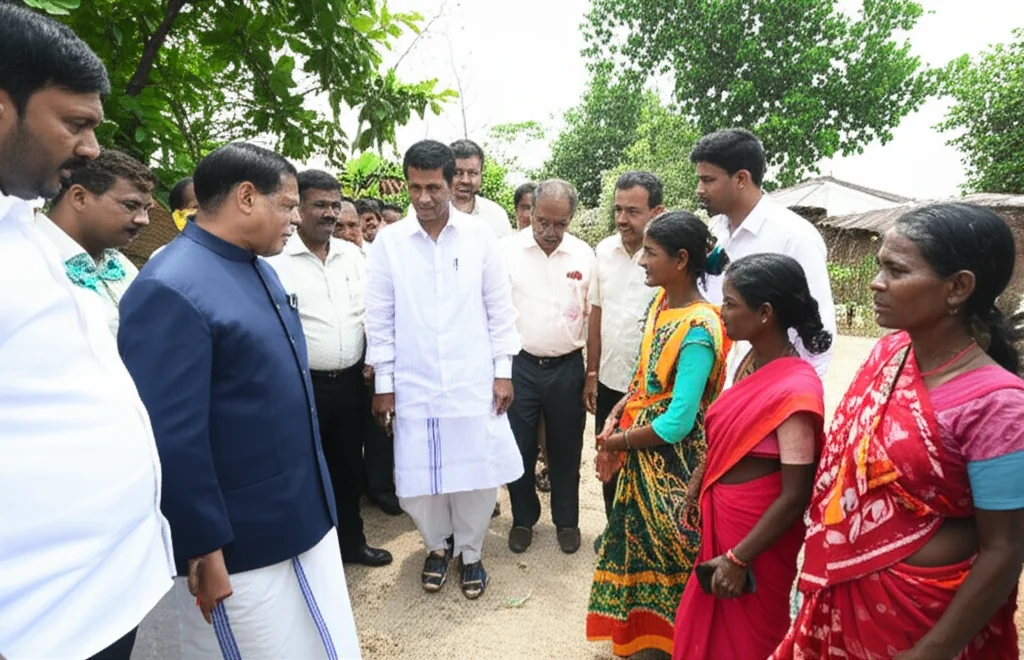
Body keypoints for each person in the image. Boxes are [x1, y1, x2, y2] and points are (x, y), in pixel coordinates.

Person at [118, 143, 360, 659]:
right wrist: (202, 545)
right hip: (240, 544)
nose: (298, 218)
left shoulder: (259, 266)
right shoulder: (170, 287)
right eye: (288, 205)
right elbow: (172, 437)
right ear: (246, 197)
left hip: (299, 516)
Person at [0, 6, 174, 659]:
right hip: (35, 624)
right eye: (75, 124)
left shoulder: (23, 233)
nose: (90, 151)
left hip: (95, 603)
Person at [775, 203, 1024, 659]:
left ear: (958, 287)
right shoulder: (888, 356)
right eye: (878, 266)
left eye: (896, 269)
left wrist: (931, 651)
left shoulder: (999, 406)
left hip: (921, 621)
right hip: (839, 594)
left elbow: (1005, 548)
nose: (876, 282)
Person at [365, 140, 523, 600]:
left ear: (454, 182)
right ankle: (436, 547)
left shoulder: (480, 237)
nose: (424, 197)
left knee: (475, 475)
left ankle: (470, 553)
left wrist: (503, 371)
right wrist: (385, 383)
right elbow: (379, 317)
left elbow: (499, 308)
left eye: (434, 186)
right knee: (417, 480)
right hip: (413, 383)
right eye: (415, 187)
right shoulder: (389, 244)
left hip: (472, 379)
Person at [586, 211, 730, 658]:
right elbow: (643, 378)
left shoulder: (700, 328)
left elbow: (678, 422)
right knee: (638, 549)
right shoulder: (662, 305)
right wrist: (618, 410)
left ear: (682, 259)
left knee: (671, 556)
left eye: (651, 252)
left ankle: (677, 645)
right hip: (643, 457)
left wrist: (619, 442)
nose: (642, 261)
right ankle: (644, 640)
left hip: (675, 467)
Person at [673, 253, 830, 660]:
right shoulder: (748, 361)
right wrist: (697, 485)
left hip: (755, 538)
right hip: (724, 521)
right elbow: (729, 439)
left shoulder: (796, 390)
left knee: (749, 639)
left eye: (730, 303)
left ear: (764, 313)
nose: (721, 312)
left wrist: (739, 558)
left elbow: (796, 494)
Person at [267, 169, 396, 564]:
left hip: (352, 383)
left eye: (334, 205)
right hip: (302, 386)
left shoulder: (354, 257)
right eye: (319, 205)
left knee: (348, 468)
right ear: (298, 208)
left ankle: (352, 544)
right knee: (304, 470)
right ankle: (310, 555)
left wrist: (376, 366)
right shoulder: (275, 260)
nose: (329, 213)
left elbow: (374, 314)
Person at [691, 128, 836, 385]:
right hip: (716, 392)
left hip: (768, 395)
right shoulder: (716, 232)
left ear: (741, 179)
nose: (699, 190)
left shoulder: (794, 237)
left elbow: (817, 337)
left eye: (708, 180)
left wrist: (789, 403)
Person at [504, 179, 595, 555]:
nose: (550, 231)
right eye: (542, 220)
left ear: (571, 218)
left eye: (560, 224)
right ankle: (523, 517)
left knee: (566, 448)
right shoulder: (505, 251)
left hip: (567, 367)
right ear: (530, 211)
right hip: (519, 366)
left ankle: (567, 521)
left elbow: (592, 314)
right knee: (518, 448)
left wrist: (590, 373)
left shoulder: (583, 255)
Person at [585, 171, 664, 548]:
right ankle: (614, 532)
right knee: (609, 461)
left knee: (650, 467)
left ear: (656, 212)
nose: (621, 219)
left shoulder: (669, 258)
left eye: (632, 211)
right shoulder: (602, 251)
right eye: (617, 209)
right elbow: (596, 315)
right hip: (610, 381)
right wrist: (591, 372)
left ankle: (643, 541)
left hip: (655, 391)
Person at [36, 149, 154, 336]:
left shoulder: (122, 266)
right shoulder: (24, 257)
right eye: (131, 206)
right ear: (79, 198)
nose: (143, 220)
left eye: (147, 209)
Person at [450, 139, 514, 238]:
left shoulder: (496, 215)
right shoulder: (432, 212)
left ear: (481, 175)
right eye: (457, 173)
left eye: (473, 173)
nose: (465, 180)